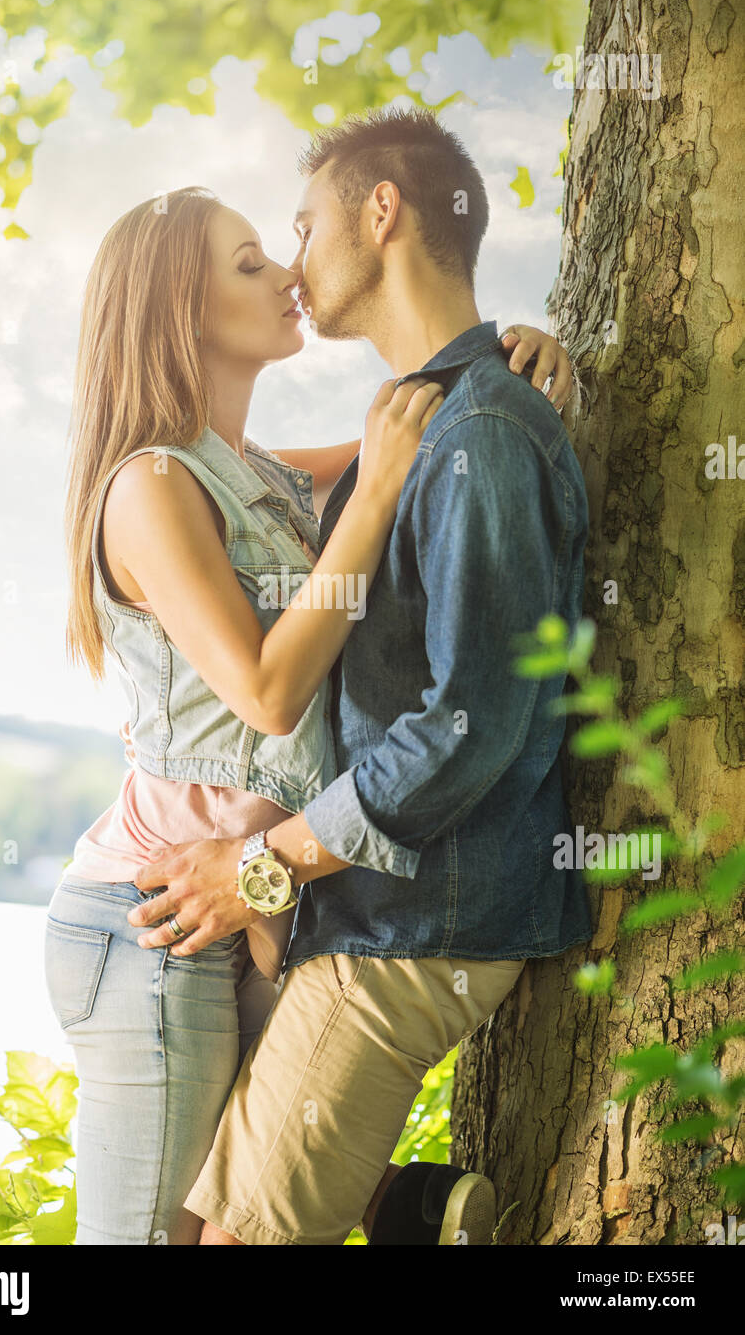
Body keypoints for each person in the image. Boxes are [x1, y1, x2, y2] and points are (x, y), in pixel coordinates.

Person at [128, 106, 594, 1247]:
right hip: (377, 917)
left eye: (300, 225)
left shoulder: (478, 434)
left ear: (381, 212)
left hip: (412, 933)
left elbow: (468, 725)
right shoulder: (426, 423)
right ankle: (418, 1214)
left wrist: (265, 867)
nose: (292, 261)